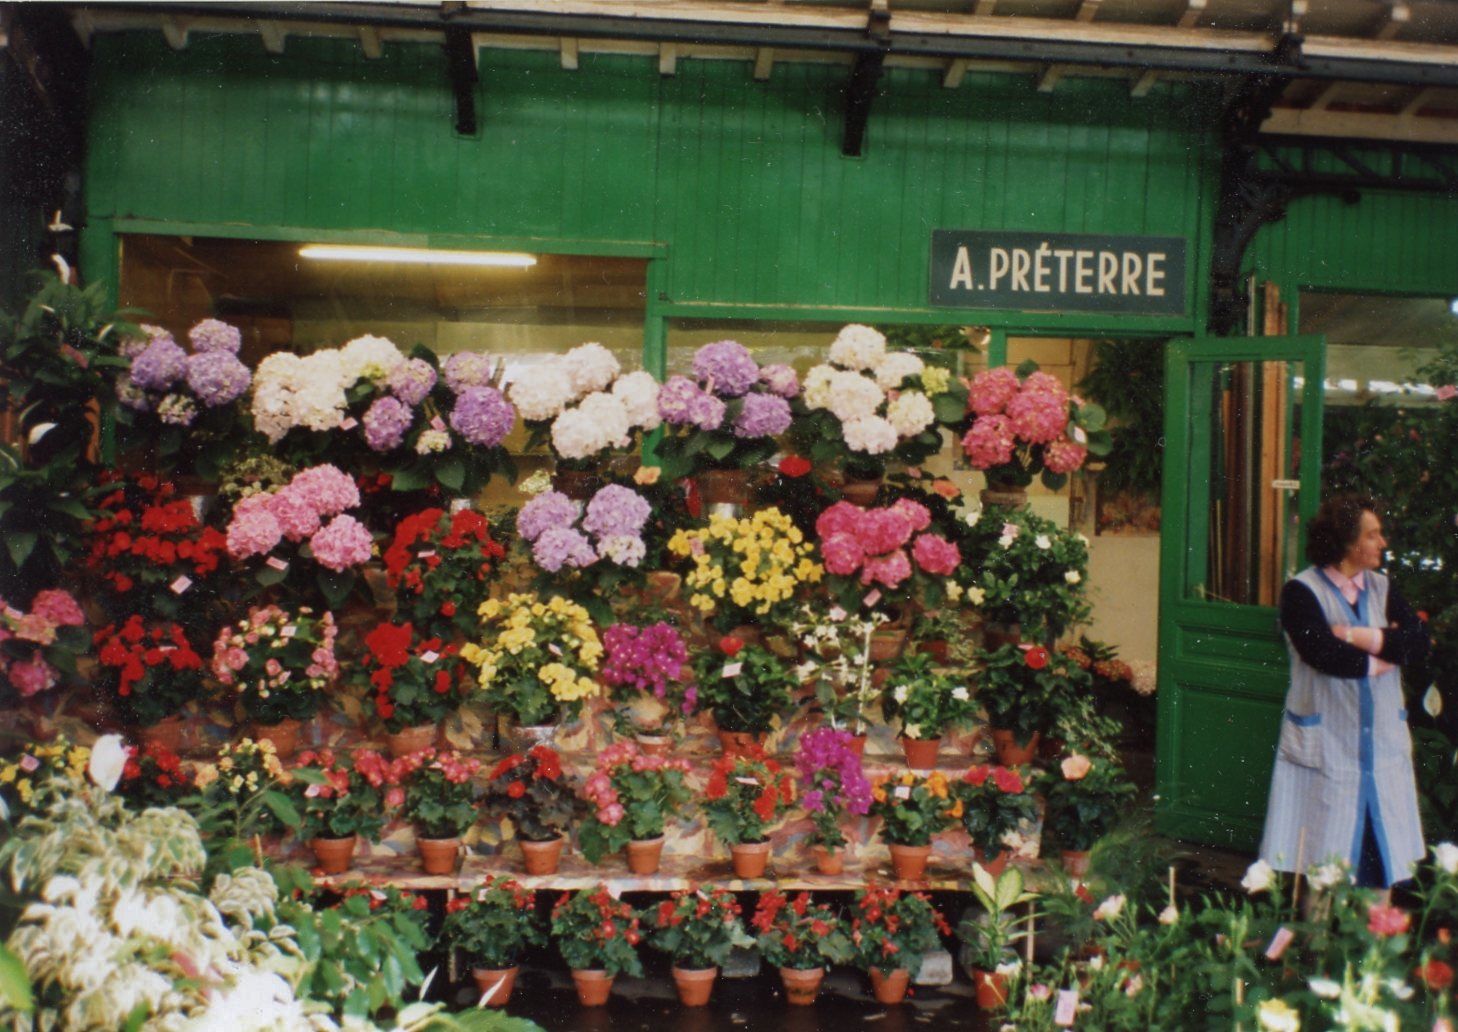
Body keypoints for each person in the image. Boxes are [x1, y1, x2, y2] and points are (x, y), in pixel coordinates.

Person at [1259, 494, 1430, 890]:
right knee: (1320, 864)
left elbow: (1419, 644)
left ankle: (1376, 931)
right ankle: (1316, 933)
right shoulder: (1301, 592)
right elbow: (1324, 654)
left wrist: (1355, 635)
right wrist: (1384, 655)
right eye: (1372, 535)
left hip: (1381, 750)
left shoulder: (1383, 587)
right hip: (1328, 749)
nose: (1382, 543)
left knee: (1383, 862)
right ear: (1347, 542)